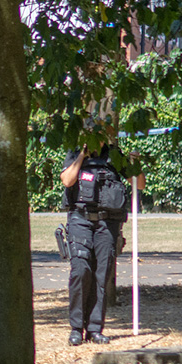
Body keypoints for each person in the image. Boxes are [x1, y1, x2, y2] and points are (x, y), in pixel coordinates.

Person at [60, 135, 145, 346]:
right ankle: (76, 328)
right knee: (80, 270)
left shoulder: (115, 156)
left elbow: (140, 184)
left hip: (107, 223)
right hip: (80, 219)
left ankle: (95, 329)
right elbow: (67, 180)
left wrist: (136, 165)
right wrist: (82, 155)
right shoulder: (74, 151)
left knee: (102, 273)